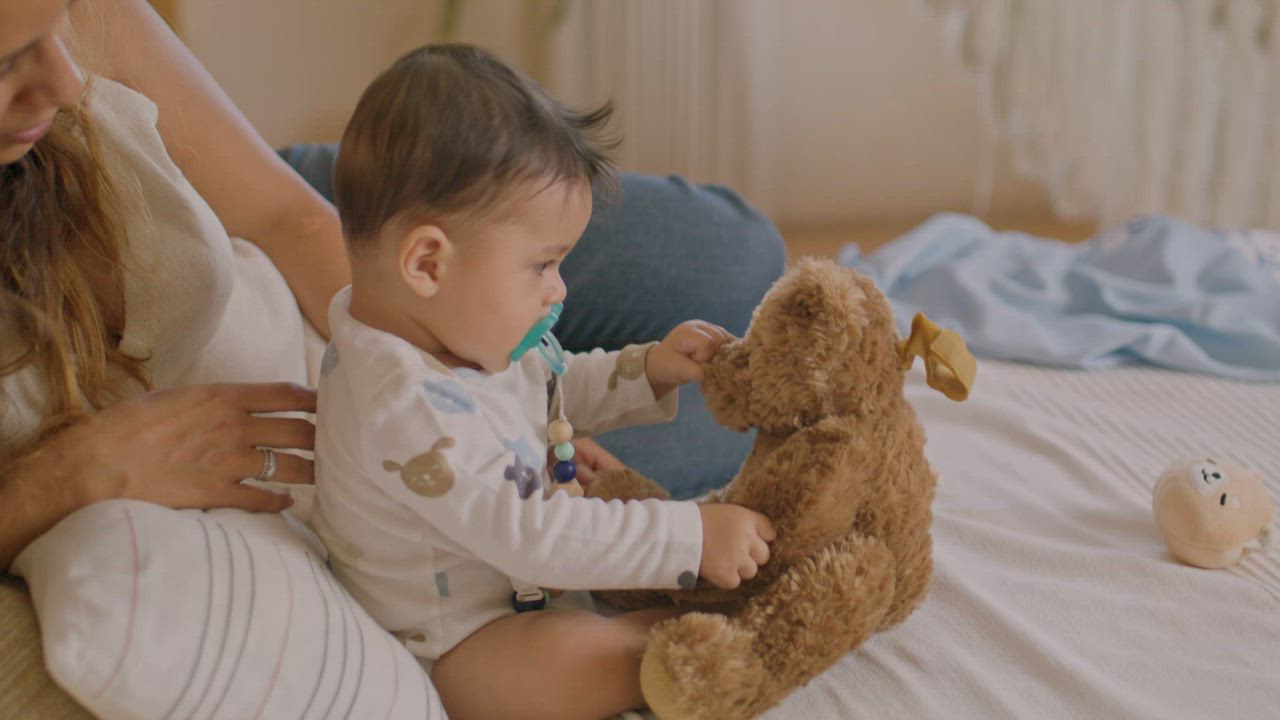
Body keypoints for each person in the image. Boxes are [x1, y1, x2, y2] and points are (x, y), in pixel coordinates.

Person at [312, 43, 777, 720]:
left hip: (524, 586)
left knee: (608, 611)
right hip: (458, 644)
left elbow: (550, 387)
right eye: (542, 265)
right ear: (427, 263)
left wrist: (648, 367)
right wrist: (689, 537)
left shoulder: (444, 333)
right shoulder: (403, 405)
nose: (557, 291)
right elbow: (536, 537)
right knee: (582, 658)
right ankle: (728, 641)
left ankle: (712, 619)